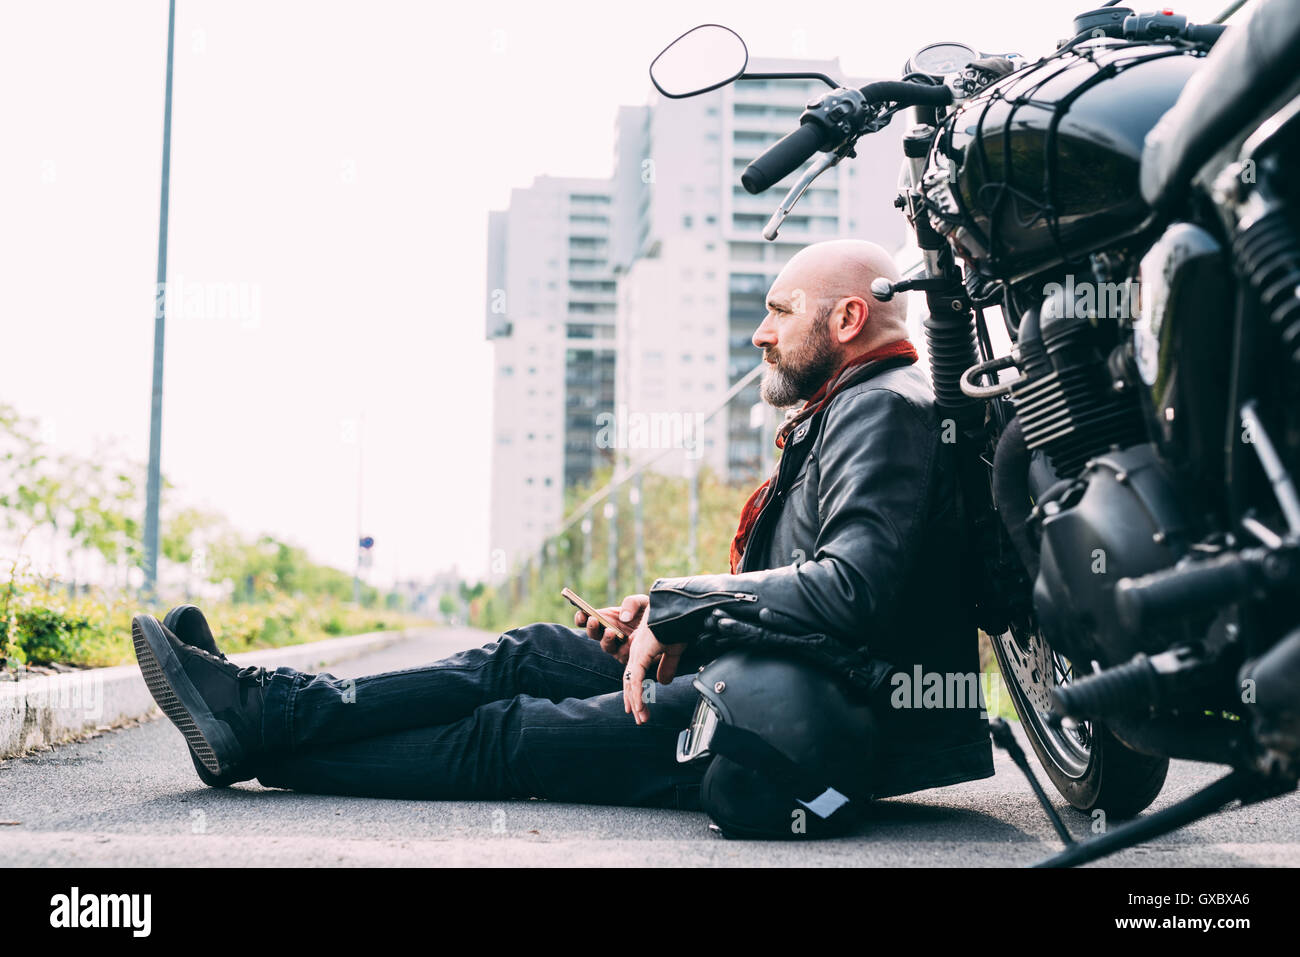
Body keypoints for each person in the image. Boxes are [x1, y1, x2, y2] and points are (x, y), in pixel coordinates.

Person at [130, 238, 993, 828]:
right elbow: (811, 593)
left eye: (780, 311)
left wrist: (682, 606)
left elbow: (854, 591)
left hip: (808, 727)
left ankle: (262, 738)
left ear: (845, 321)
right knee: (523, 653)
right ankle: (267, 706)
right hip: (766, 676)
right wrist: (662, 618)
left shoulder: (883, 412)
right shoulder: (848, 409)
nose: (762, 332)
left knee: (510, 732)